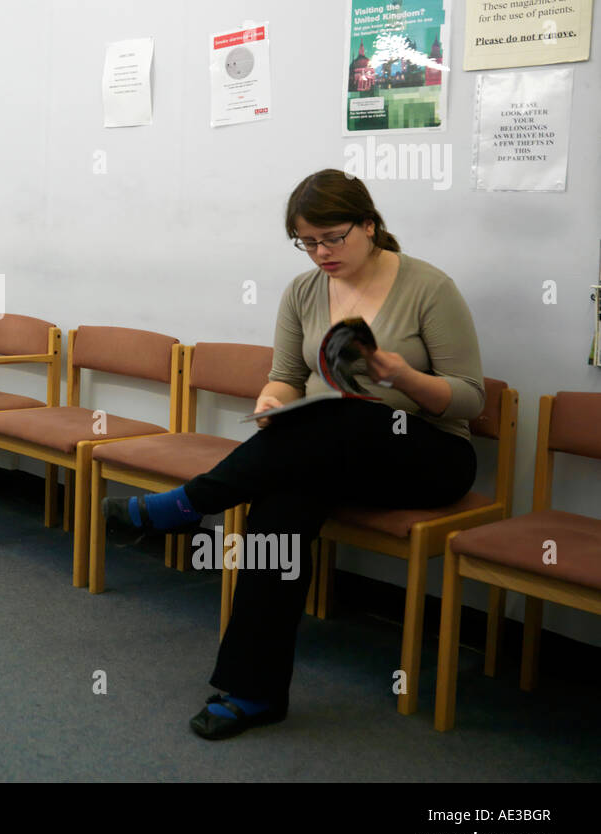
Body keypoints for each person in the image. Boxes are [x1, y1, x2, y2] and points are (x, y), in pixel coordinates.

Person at [102, 169, 484, 739]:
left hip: (428, 454)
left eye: (333, 238)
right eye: (307, 242)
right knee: (279, 507)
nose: (321, 253)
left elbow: (470, 399)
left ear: (370, 225)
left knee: (350, 410)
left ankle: (189, 503)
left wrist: (401, 373)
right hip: (338, 451)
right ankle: (254, 691)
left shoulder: (429, 287)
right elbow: (286, 376)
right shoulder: (303, 292)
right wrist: (270, 402)